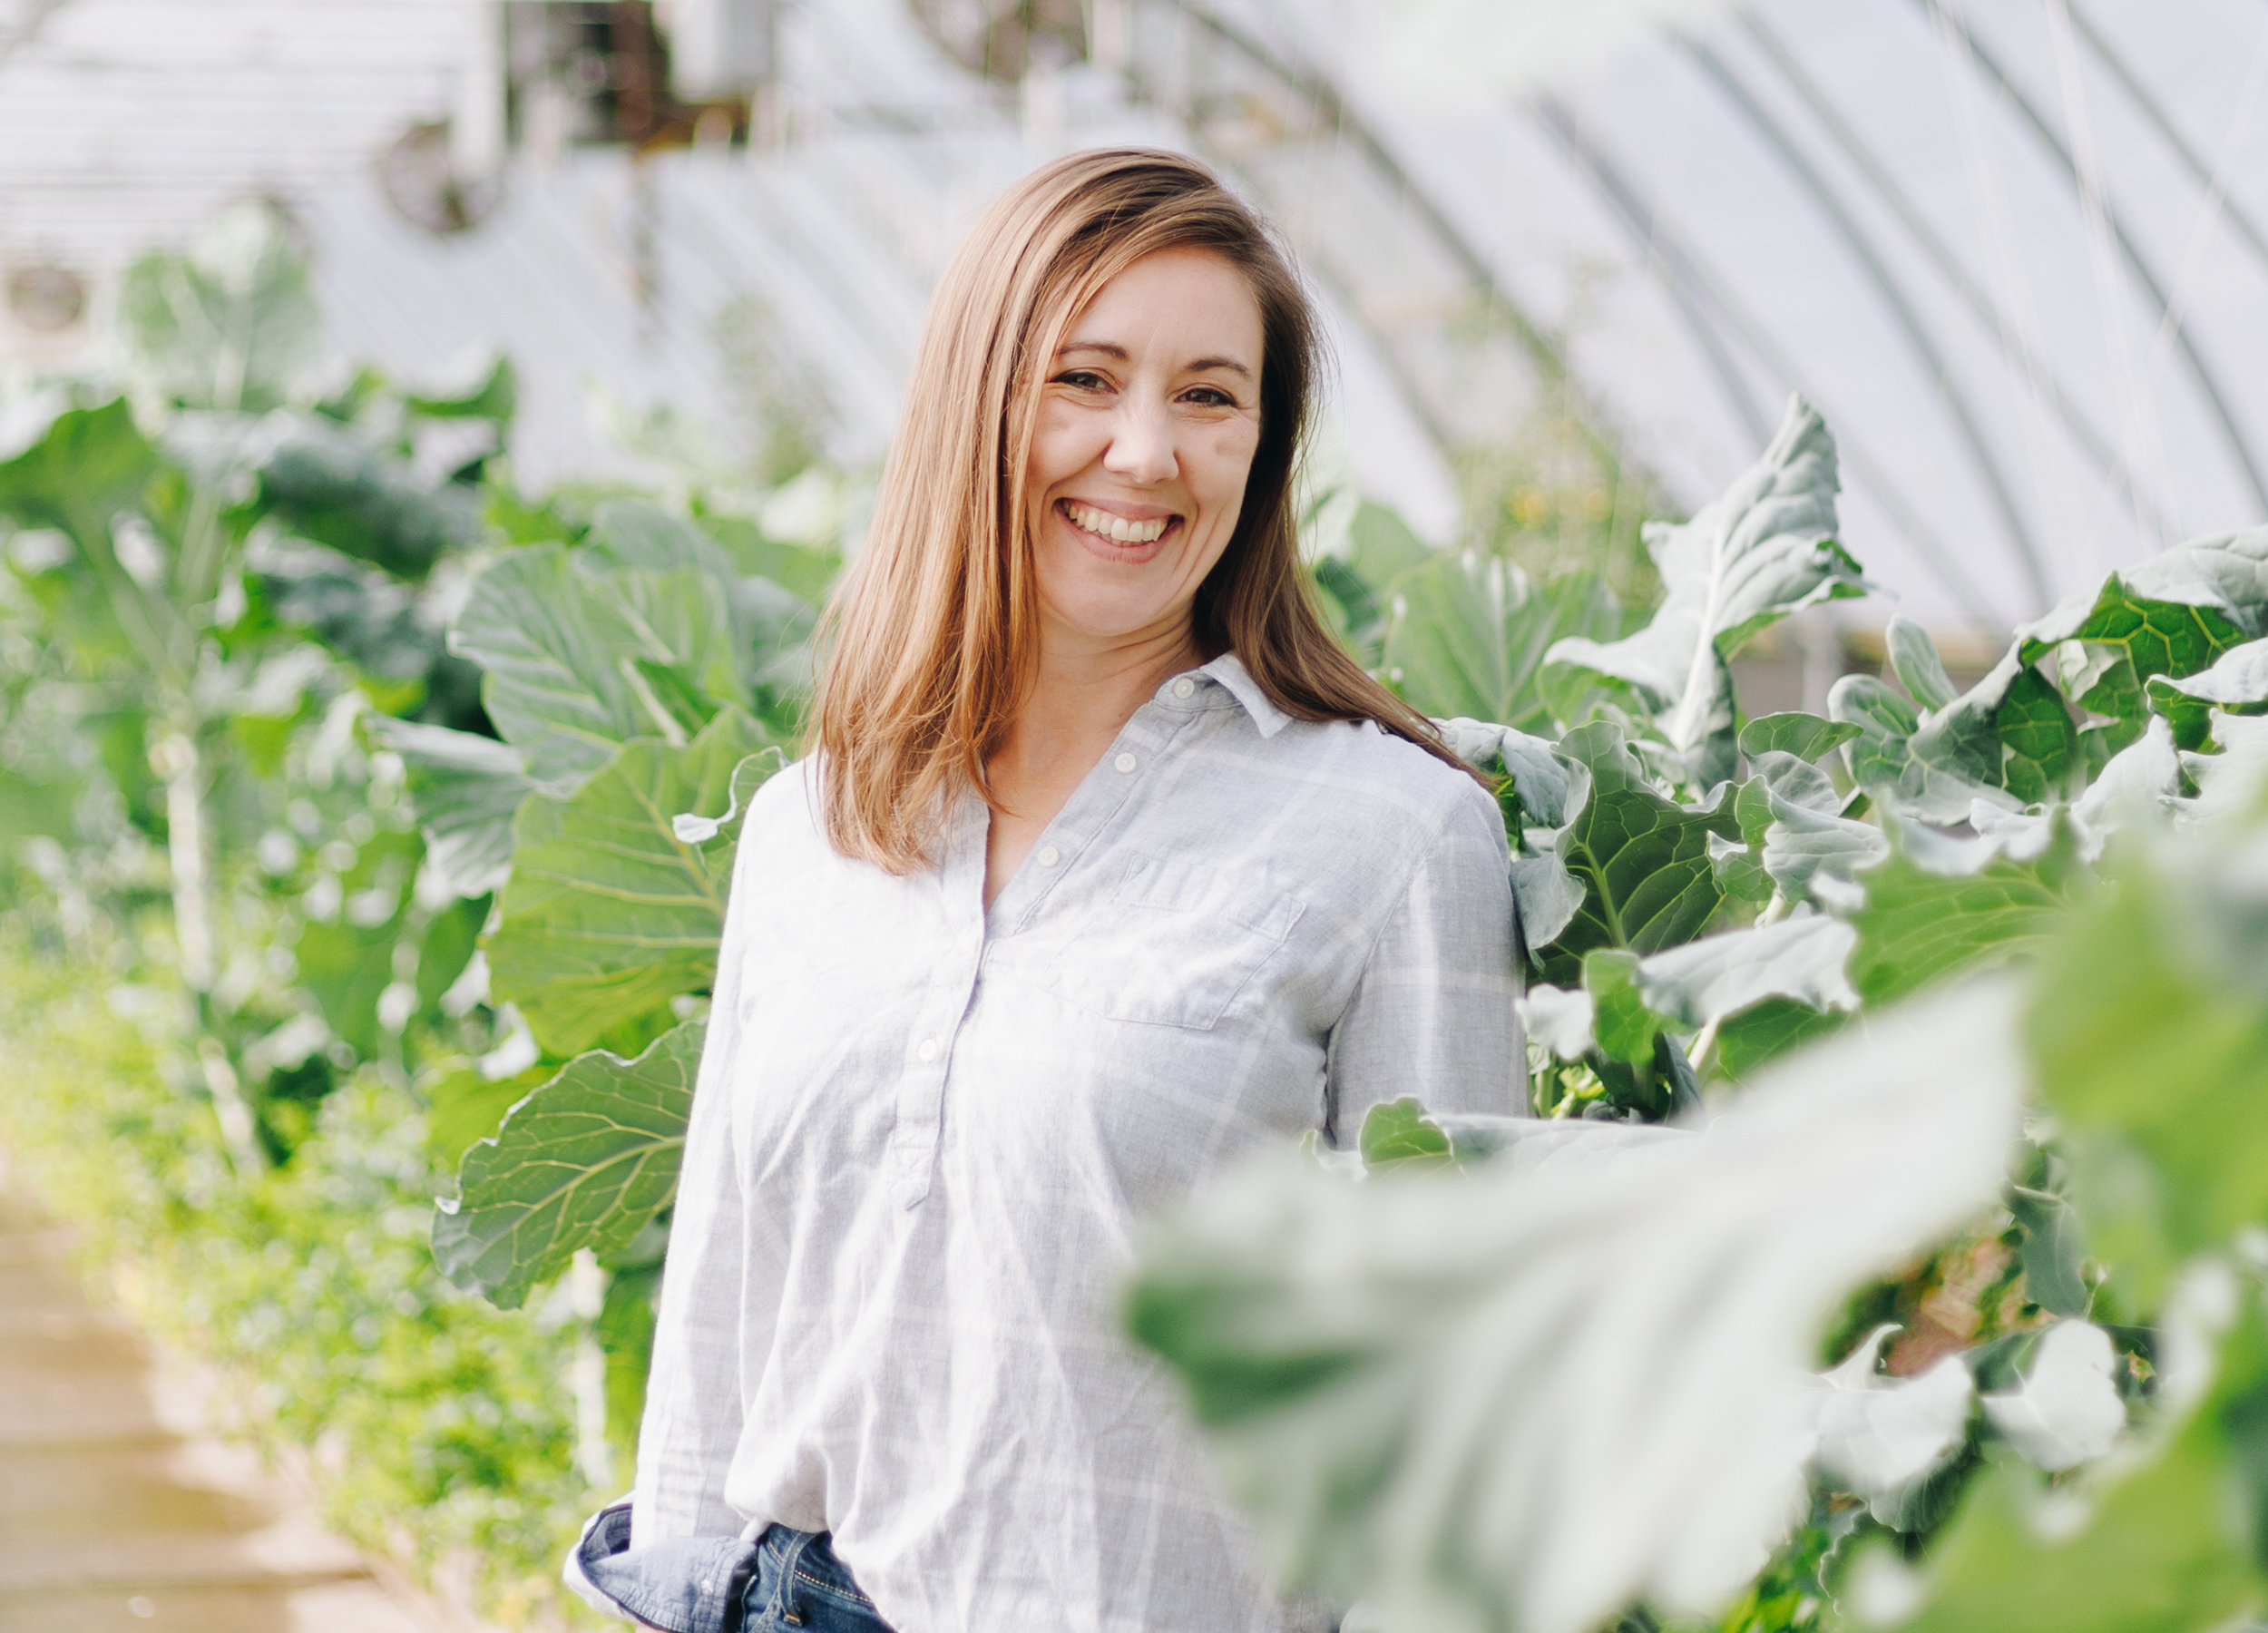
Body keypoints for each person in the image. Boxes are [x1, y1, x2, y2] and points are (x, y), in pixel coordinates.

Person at [567, 146, 1523, 1633]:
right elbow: (720, 1319)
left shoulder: (1395, 835)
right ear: (977, 404)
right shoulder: (807, 828)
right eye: (1085, 379)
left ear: (1263, 449)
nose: (1144, 453)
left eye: (1209, 397)